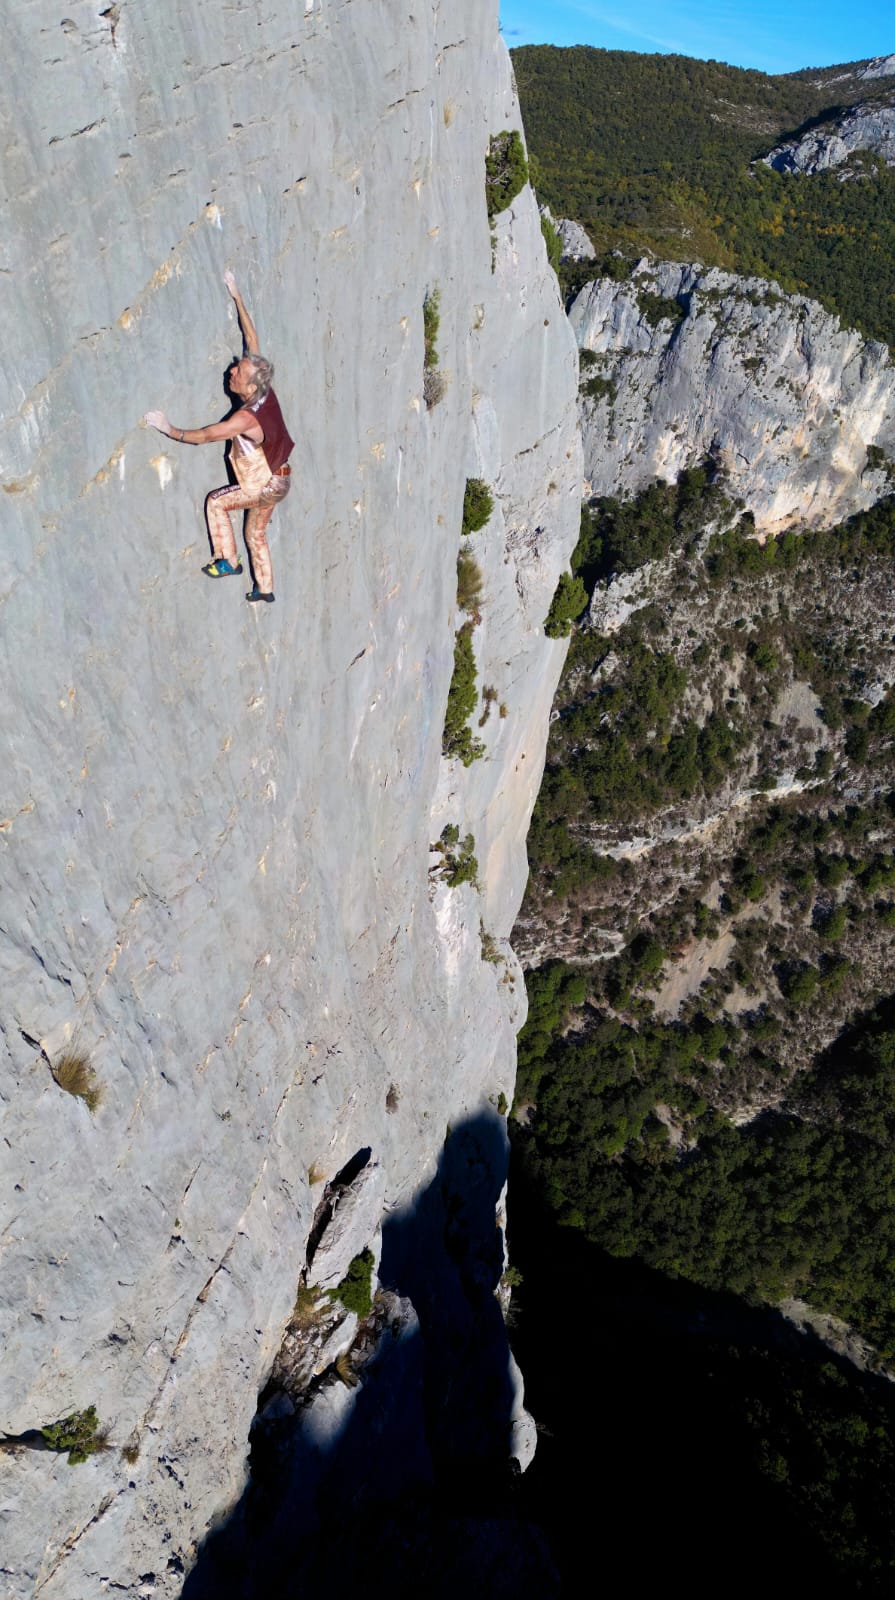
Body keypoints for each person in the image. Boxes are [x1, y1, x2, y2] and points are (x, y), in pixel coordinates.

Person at [143, 271, 294, 603]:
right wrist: (236, 295)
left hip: (268, 483)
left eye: (238, 373)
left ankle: (227, 560)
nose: (232, 372)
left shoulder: (245, 417)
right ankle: (265, 589)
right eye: (235, 367)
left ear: (251, 388)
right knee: (255, 533)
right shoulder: (263, 389)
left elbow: (208, 435)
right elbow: (251, 339)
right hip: (282, 477)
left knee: (217, 502)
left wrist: (169, 429)